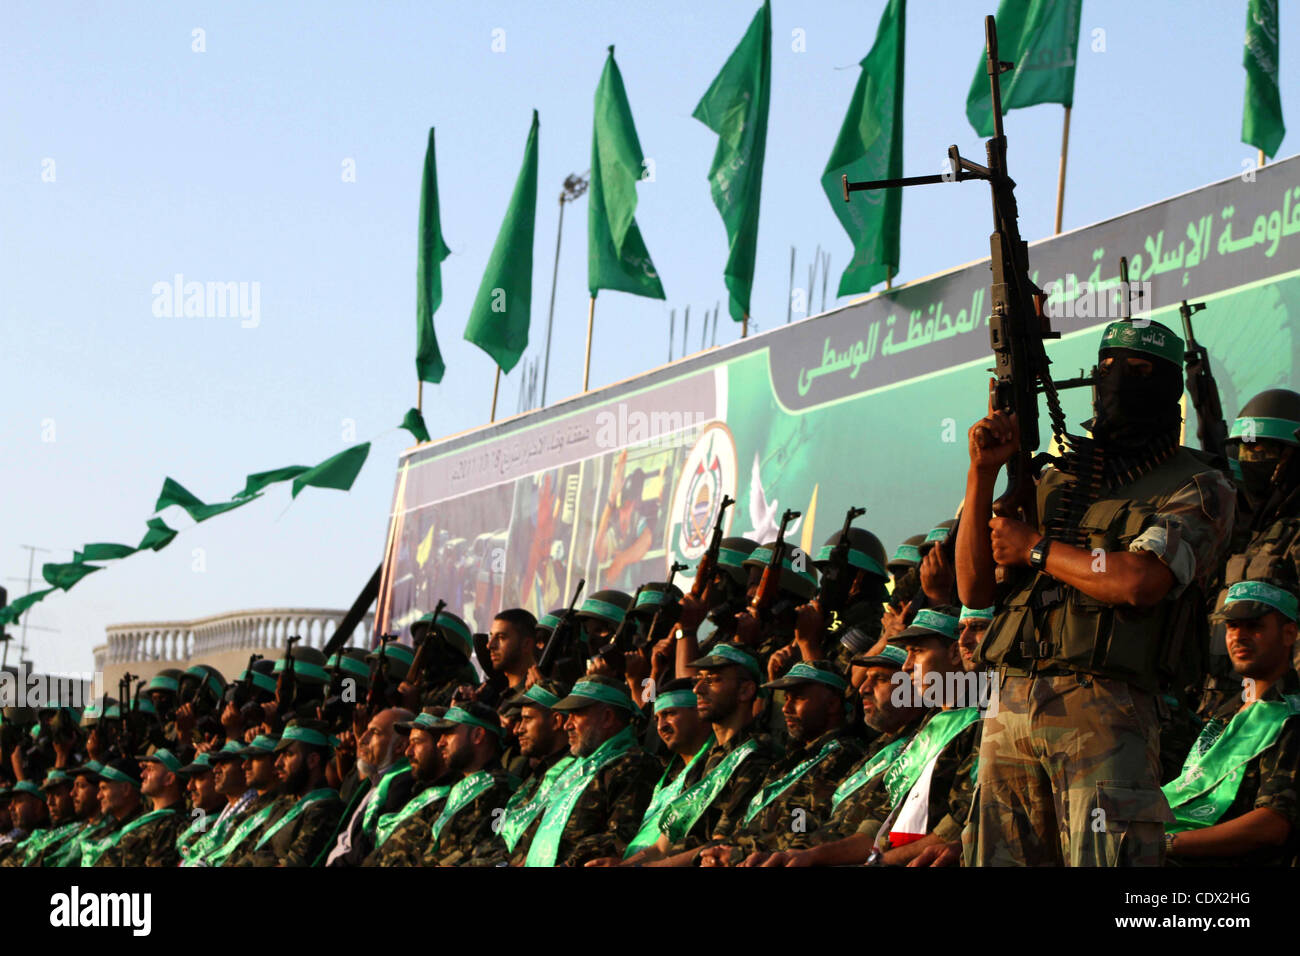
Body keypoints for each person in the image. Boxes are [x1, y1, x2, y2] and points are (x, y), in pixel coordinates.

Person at [957, 319, 1236, 866]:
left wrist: (1036, 548)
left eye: (1139, 371)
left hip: (1106, 706)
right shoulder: (1059, 477)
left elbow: (1139, 581)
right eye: (1106, 368)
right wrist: (982, 473)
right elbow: (974, 588)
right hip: (1011, 703)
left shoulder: (1200, 485)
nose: (1117, 381)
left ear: (1169, 389)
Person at [1162, 580, 1300, 866]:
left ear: (1289, 633)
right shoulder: (1227, 711)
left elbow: (1272, 826)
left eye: (1254, 626)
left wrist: (1164, 844)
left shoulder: (1292, 717)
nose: (1239, 636)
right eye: (1232, 626)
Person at [751, 642, 926, 865]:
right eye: (785, 699)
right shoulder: (874, 749)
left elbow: (807, 820)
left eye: (880, 679)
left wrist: (793, 853)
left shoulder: (845, 753)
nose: (863, 688)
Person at [699, 659, 863, 866]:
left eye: (798, 698)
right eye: (785, 699)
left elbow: (805, 827)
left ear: (832, 704)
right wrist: (718, 853)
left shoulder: (842, 755)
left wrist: (738, 854)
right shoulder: (792, 758)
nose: (786, 708)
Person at [636, 643, 775, 866]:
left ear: (745, 691)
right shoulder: (706, 759)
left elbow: (719, 846)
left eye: (713, 679)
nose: (698, 689)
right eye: (698, 679)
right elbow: (662, 847)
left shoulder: (758, 755)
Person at [509, 676, 661, 866]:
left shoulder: (635, 765)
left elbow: (620, 838)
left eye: (576, 714)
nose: (567, 725)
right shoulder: (573, 769)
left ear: (607, 718)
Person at [609, 679, 713, 863]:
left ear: (699, 711)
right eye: (657, 718)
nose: (661, 726)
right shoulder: (667, 773)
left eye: (669, 714)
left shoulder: (716, 767)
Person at [478, 681, 575, 865]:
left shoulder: (575, 775)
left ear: (556, 721)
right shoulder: (538, 774)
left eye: (527, 719)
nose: (518, 729)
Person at [419, 702, 517, 866]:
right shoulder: (456, 787)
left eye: (448, 733)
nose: (440, 743)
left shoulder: (500, 790)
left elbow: (479, 853)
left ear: (477, 735)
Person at [244, 720, 343, 866]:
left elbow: (294, 863)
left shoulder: (325, 808)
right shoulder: (283, 803)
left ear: (312, 760)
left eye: (288, 754)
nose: (278, 763)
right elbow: (251, 854)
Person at [364, 707, 456, 866]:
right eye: (409, 743)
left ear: (441, 744)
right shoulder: (415, 788)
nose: (408, 752)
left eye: (417, 742)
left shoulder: (452, 800)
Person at [324, 707, 414, 866]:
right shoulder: (375, 781)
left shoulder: (402, 784)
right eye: (365, 731)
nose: (362, 739)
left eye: (375, 732)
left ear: (400, 746)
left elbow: (364, 849)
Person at [212, 735, 288, 867]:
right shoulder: (250, 808)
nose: (245, 765)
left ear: (275, 763)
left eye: (254, 758)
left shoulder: (285, 808)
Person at [180, 740, 255, 866]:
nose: (215, 770)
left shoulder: (254, 811)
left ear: (244, 765)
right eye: (215, 764)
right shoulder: (219, 815)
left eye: (224, 763)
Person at [0, 780, 47, 865]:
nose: (10, 808)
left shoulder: (49, 841)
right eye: (11, 802)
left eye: (18, 801)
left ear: (37, 806)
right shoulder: (18, 844)